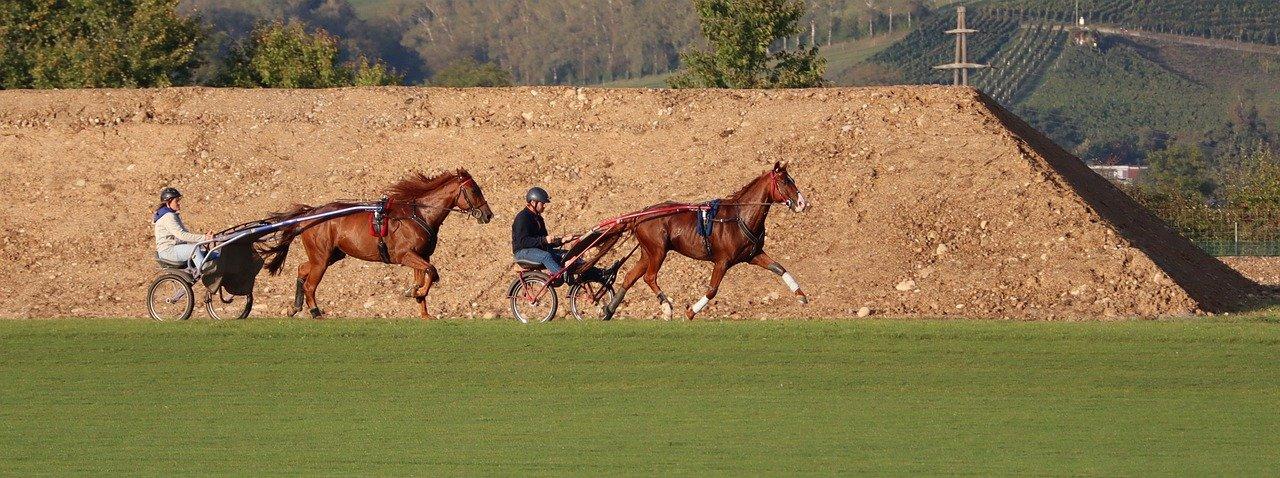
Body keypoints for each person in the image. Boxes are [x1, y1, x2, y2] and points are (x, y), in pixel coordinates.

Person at [512, 187, 579, 276]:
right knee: (546, 256)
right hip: (522, 252)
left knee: (568, 255)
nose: (544, 206)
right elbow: (522, 242)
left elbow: (546, 242)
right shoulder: (522, 218)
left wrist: (562, 241)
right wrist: (544, 240)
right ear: (533, 202)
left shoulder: (538, 218)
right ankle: (561, 276)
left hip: (537, 250)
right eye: (542, 203)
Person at [153, 187, 215, 270]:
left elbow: (185, 234)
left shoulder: (171, 215)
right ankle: (206, 271)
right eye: (176, 201)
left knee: (214, 254)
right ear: (168, 202)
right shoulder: (168, 216)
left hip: (175, 248)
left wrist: (204, 237)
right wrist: (204, 238)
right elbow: (182, 235)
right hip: (168, 251)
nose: (179, 203)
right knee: (195, 249)